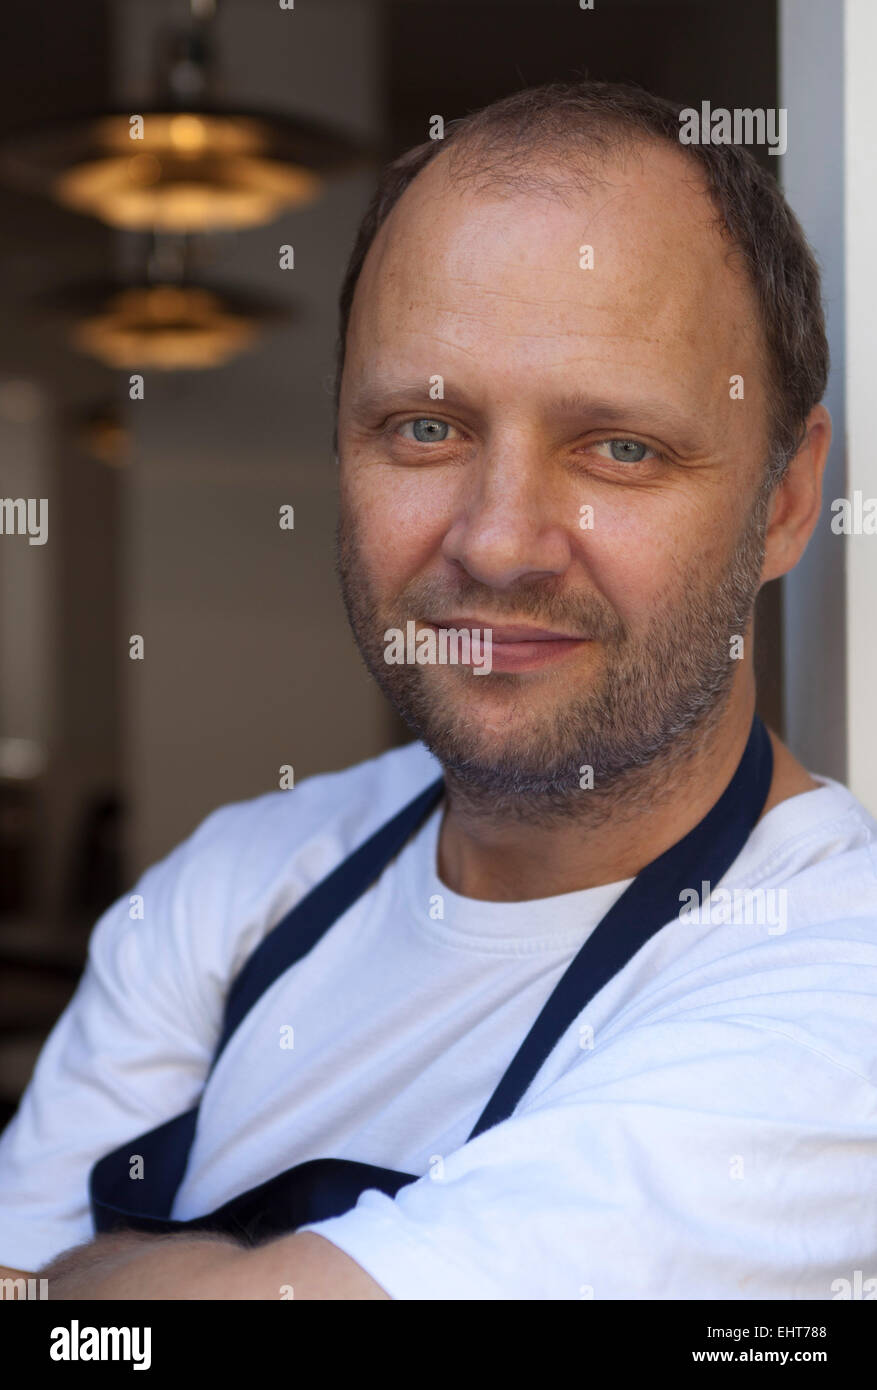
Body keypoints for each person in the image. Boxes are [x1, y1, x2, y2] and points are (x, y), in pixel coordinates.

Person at [1, 79, 875, 1302]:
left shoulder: (838, 981)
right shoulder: (232, 884)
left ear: (783, 503)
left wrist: (95, 1280)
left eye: (618, 447)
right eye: (424, 428)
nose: (500, 540)